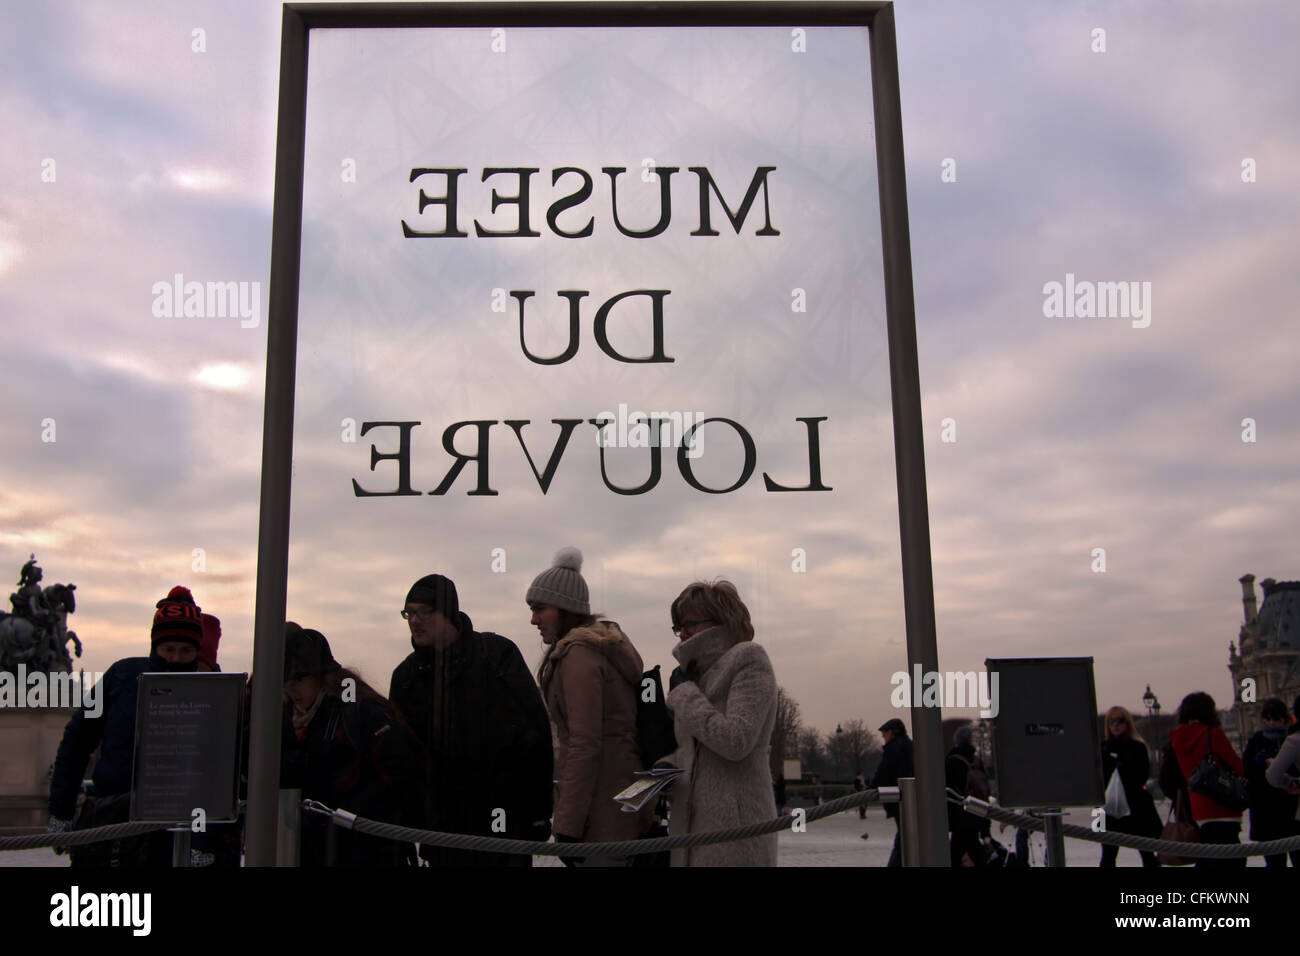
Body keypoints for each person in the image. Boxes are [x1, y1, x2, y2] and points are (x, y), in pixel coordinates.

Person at [389, 572, 553, 866]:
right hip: (441, 831)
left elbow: (534, 736)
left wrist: (538, 814)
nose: (414, 620)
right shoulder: (406, 677)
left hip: (502, 826)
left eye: (424, 612)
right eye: (409, 613)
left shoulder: (497, 655)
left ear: (448, 614)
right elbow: (401, 759)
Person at [47, 586, 205, 866]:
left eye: (186, 650)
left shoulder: (210, 692)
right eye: (168, 649)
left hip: (174, 829)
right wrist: (61, 811)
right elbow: (77, 740)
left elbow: (216, 772)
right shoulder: (120, 676)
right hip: (111, 824)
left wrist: (205, 840)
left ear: (197, 651)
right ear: (155, 646)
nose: (176, 658)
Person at [528, 547, 650, 863]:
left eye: (540, 609)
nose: (533, 619)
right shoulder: (599, 651)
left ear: (565, 608)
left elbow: (584, 745)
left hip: (597, 819)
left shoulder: (578, 656)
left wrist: (567, 825)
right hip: (618, 810)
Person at [663, 579, 778, 866]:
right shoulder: (695, 674)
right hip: (692, 828)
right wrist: (669, 766)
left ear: (721, 621)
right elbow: (698, 749)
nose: (682, 635)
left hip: (735, 833)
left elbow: (736, 740)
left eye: (690, 625)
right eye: (678, 627)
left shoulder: (750, 660)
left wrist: (686, 695)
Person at [281, 628, 415, 866]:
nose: (292, 689)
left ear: (321, 675)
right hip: (314, 850)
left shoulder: (359, 715)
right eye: (286, 681)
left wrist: (346, 814)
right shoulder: (286, 721)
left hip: (366, 851)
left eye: (299, 679)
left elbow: (400, 776)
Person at [1165, 691, 1246, 868]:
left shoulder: (1177, 739)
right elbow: (1239, 768)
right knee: (1231, 858)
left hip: (1199, 807)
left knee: (1209, 855)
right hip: (1223, 803)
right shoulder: (1213, 734)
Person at [1098, 705, 1162, 867]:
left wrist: (1121, 765)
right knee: (1108, 856)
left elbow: (1141, 776)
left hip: (1136, 807)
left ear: (1127, 723)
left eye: (1120, 720)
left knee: (1147, 855)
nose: (1116, 725)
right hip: (1111, 807)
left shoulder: (1137, 747)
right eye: (1111, 721)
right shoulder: (1102, 748)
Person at [1253, 698, 1300, 866]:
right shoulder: (1256, 741)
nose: (1272, 723)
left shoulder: (1292, 739)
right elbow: (1249, 772)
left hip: (1290, 809)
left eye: (1276, 719)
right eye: (1268, 719)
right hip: (1269, 811)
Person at [869, 717, 914, 866]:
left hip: (899, 800)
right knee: (908, 837)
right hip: (915, 799)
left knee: (902, 840)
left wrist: (870, 791)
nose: (883, 738)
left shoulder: (893, 749)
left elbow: (883, 772)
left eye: (884, 734)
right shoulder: (912, 747)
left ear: (892, 732)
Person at [946, 724, 988, 867]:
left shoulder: (951, 762)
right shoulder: (977, 762)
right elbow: (985, 793)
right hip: (977, 817)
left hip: (959, 820)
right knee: (975, 853)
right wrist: (986, 831)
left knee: (955, 857)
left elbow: (947, 795)